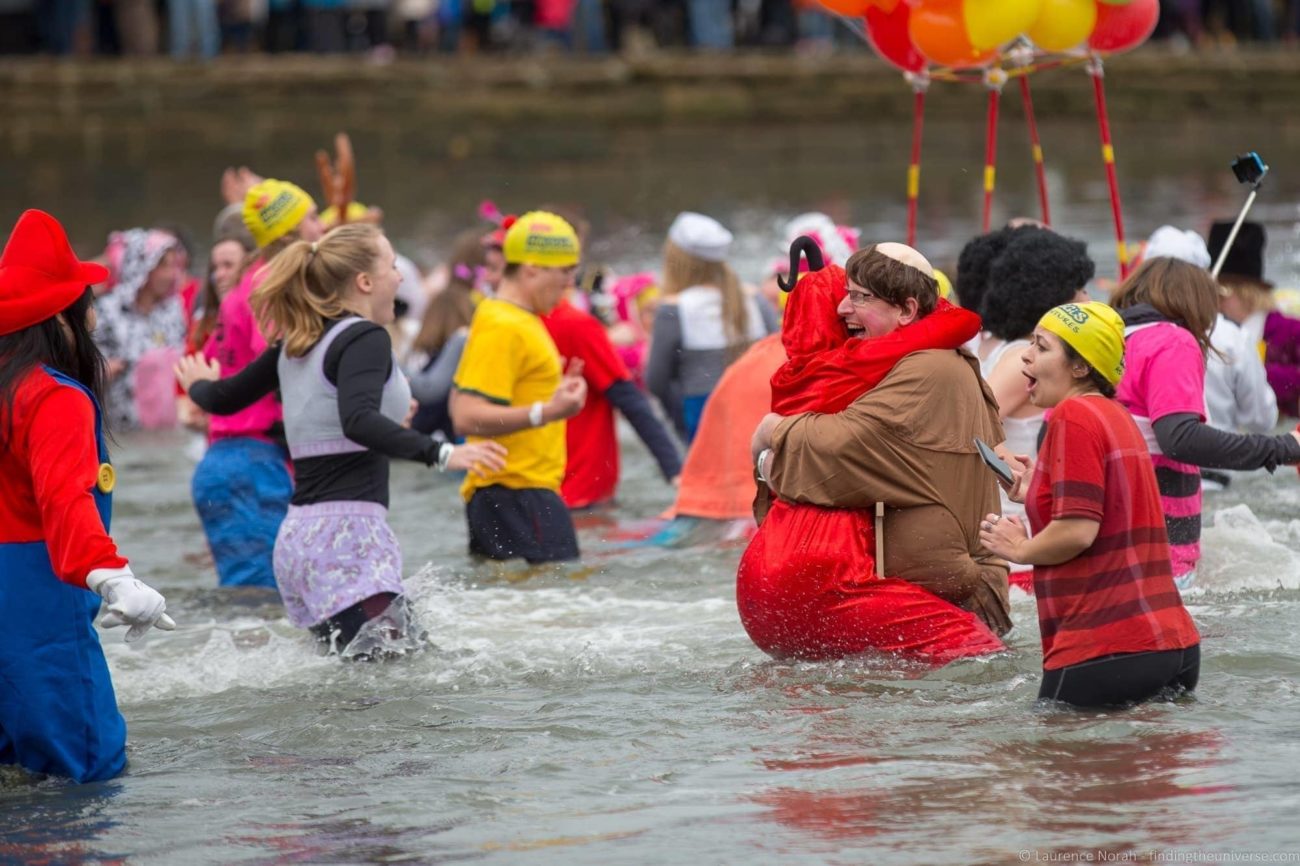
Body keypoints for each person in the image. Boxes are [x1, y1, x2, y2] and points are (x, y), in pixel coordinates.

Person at [177, 223, 506, 655]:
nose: (401, 276)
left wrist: (200, 384)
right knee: (403, 683)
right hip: (345, 541)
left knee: (372, 687)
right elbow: (357, 420)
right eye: (392, 265)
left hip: (299, 542)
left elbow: (224, 398)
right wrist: (444, 453)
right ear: (365, 282)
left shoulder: (298, 341)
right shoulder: (364, 337)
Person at [750, 242, 1013, 660]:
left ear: (907, 311)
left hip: (949, 598)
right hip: (929, 594)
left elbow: (843, 446)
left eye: (859, 298)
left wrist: (771, 433)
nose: (842, 310)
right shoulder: (930, 359)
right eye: (843, 295)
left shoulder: (929, 368)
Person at [0, 210, 175, 783]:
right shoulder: (51, 396)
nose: (96, 315)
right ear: (62, 315)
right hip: (37, 596)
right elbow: (65, 498)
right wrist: (109, 573)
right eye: (87, 301)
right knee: (85, 771)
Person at [980, 302, 1201, 709]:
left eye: (1042, 347)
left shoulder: (1071, 415)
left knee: (1052, 766)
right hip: (1173, 645)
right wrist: (1036, 493)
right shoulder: (1115, 414)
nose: (1026, 355)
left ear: (1081, 367)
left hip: (1105, 646)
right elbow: (1111, 509)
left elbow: (1079, 530)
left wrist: (1019, 549)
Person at [1111, 257, 1300, 589]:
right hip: (1159, 549)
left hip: (1109, 538)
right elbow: (1180, 439)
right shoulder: (1173, 340)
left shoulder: (1110, 338)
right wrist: (1283, 448)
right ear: (1197, 303)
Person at [191, 179, 322, 590]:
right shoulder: (271, 286)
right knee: (262, 604)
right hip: (255, 464)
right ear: (289, 233)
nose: (321, 228)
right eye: (314, 218)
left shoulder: (244, 287)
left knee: (253, 603)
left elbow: (213, 363)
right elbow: (283, 364)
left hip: (225, 461)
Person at [449, 211, 588, 563]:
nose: (570, 282)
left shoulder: (514, 318)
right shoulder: (503, 323)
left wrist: (551, 394)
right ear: (531, 269)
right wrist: (549, 411)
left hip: (514, 494)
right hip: (515, 494)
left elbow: (459, 397)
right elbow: (465, 415)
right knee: (555, 607)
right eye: (566, 271)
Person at [542, 290, 682, 509]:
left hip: (544, 489)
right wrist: (675, 470)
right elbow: (630, 400)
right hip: (581, 489)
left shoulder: (498, 322)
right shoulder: (576, 325)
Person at [645, 212, 775, 442]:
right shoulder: (754, 299)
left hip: (705, 422)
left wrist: (678, 422)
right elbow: (779, 358)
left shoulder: (673, 309)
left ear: (676, 260)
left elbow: (656, 381)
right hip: (760, 417)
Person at [94, 228, 187, 430]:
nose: (172, 273)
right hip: (121, 435)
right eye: (163, 265)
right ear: (140, 266)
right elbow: (82, 370)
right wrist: (103, 371)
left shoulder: (172, 309)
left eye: (174, 265)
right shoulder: (107, 311)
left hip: (168, 434)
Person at [1209, 220, 1300, 418]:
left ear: (1246, 293)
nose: (1214, 301)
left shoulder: (1290, 331)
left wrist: (1252, 370)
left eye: (1220, 293)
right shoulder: (1208, 332)